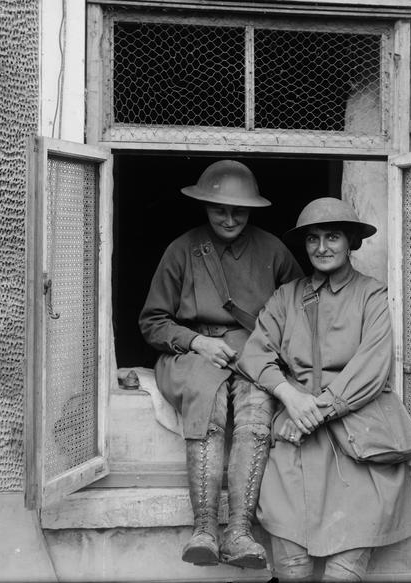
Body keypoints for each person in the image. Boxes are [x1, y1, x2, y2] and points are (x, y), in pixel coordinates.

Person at [239, 197, 411, 581]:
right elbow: (254, 355)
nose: (322, 248)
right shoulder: (287, 297)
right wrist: (289, 396)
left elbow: (372, 368)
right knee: (292, 569)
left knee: (343, 575)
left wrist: (315, 412)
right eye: (313, 239)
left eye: (333, 237)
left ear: (352, 241)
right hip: (297, 440)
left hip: (359, 437)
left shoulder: (372, 295)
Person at [139, 160, 303, 569]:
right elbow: (152, 322)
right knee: (205, 400)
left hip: (253, 351)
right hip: (193, 352)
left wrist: (270, 351)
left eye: (239, 211)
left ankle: (240, 532)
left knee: (256, 404)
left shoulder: (274, 251)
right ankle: (205, 528)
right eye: (219, 210)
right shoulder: (182, 250)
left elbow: (299, 311)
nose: (229, 219)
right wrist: (196, 341)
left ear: (252, 210)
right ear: (205, 207)